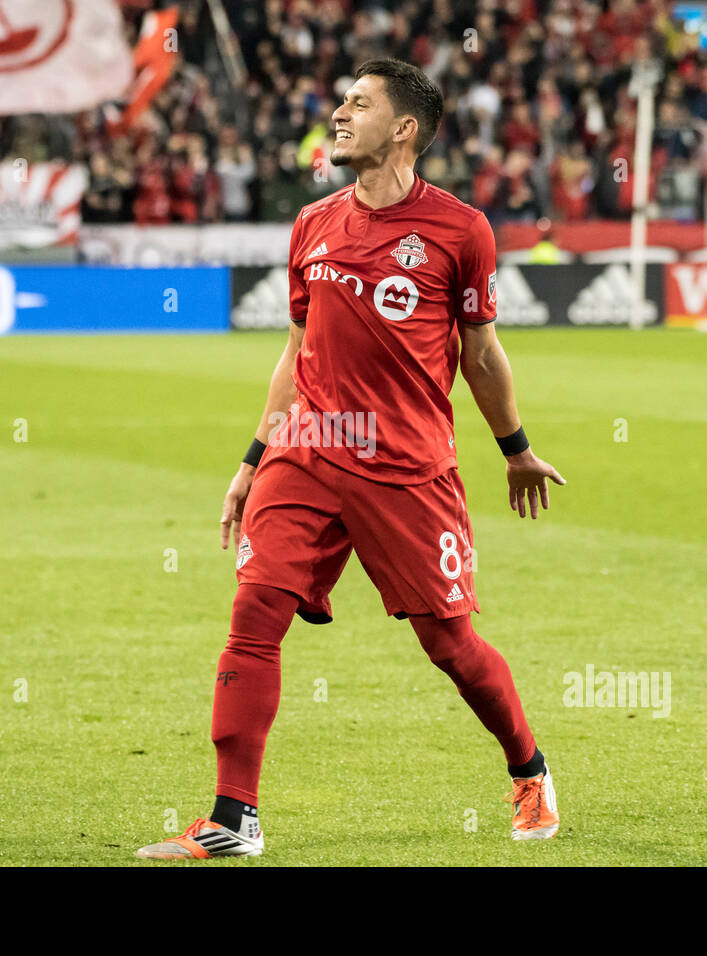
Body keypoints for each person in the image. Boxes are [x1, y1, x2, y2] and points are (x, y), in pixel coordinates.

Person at [136, 58, 567, 859]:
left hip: (408, 467)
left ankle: (529, 767)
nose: (338, 114)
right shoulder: (312, 223)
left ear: (404, 129)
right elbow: (296, 353)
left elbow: (481, 355)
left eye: (358, 104)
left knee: (451, 645)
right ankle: (235, 819)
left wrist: (516, 450)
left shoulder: (461, 230)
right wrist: (251, 459)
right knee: (253, 616)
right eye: (341, 101)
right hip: (308, 451)